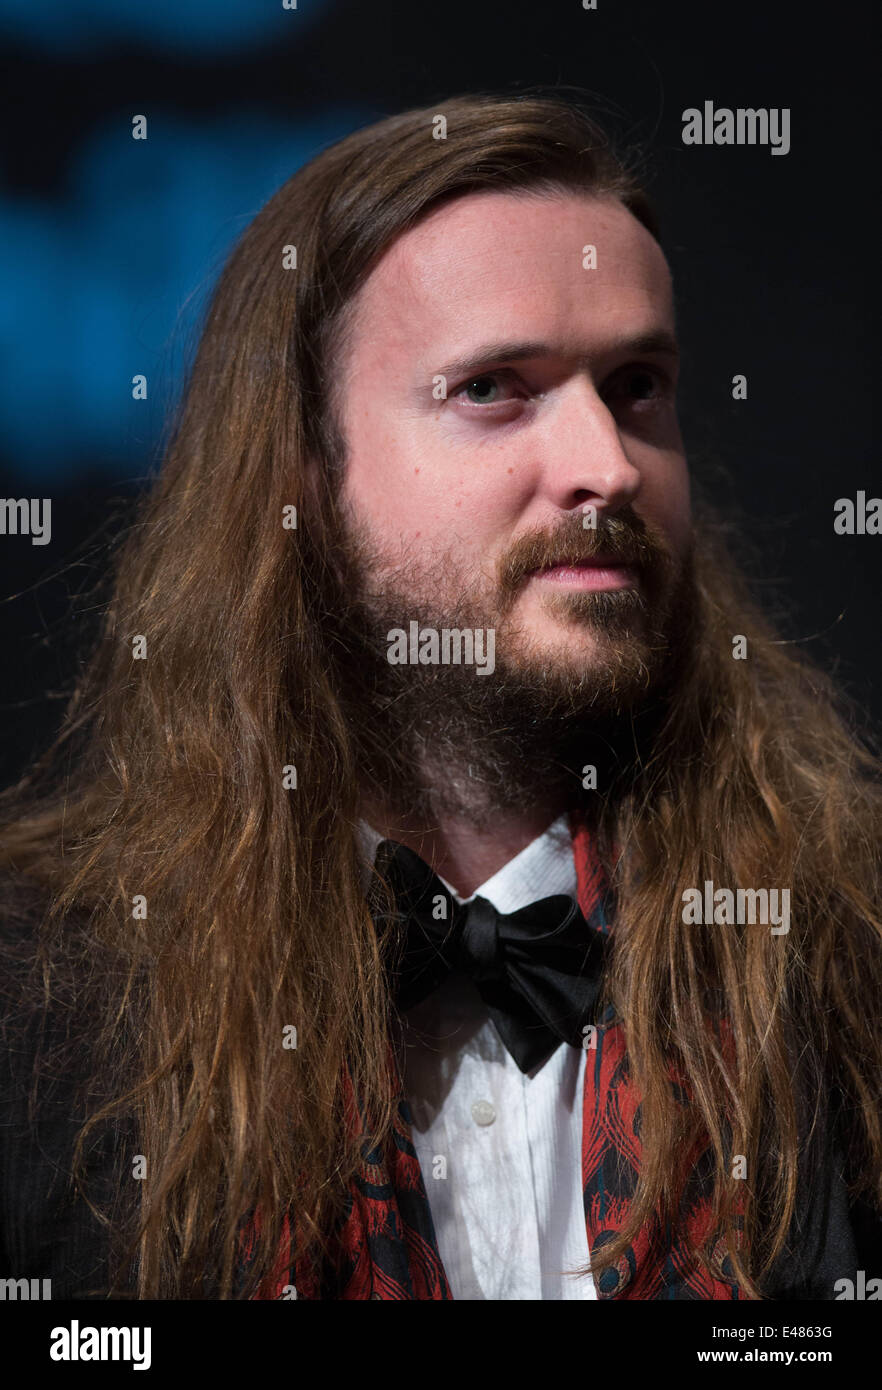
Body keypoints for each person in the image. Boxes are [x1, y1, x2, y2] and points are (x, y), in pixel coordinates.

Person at [0, 92, 880, 1302]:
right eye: (492, 390)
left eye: (636, 386)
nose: (607, 465)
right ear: (301, 477)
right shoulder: (40, 1002)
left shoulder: (846, 953)